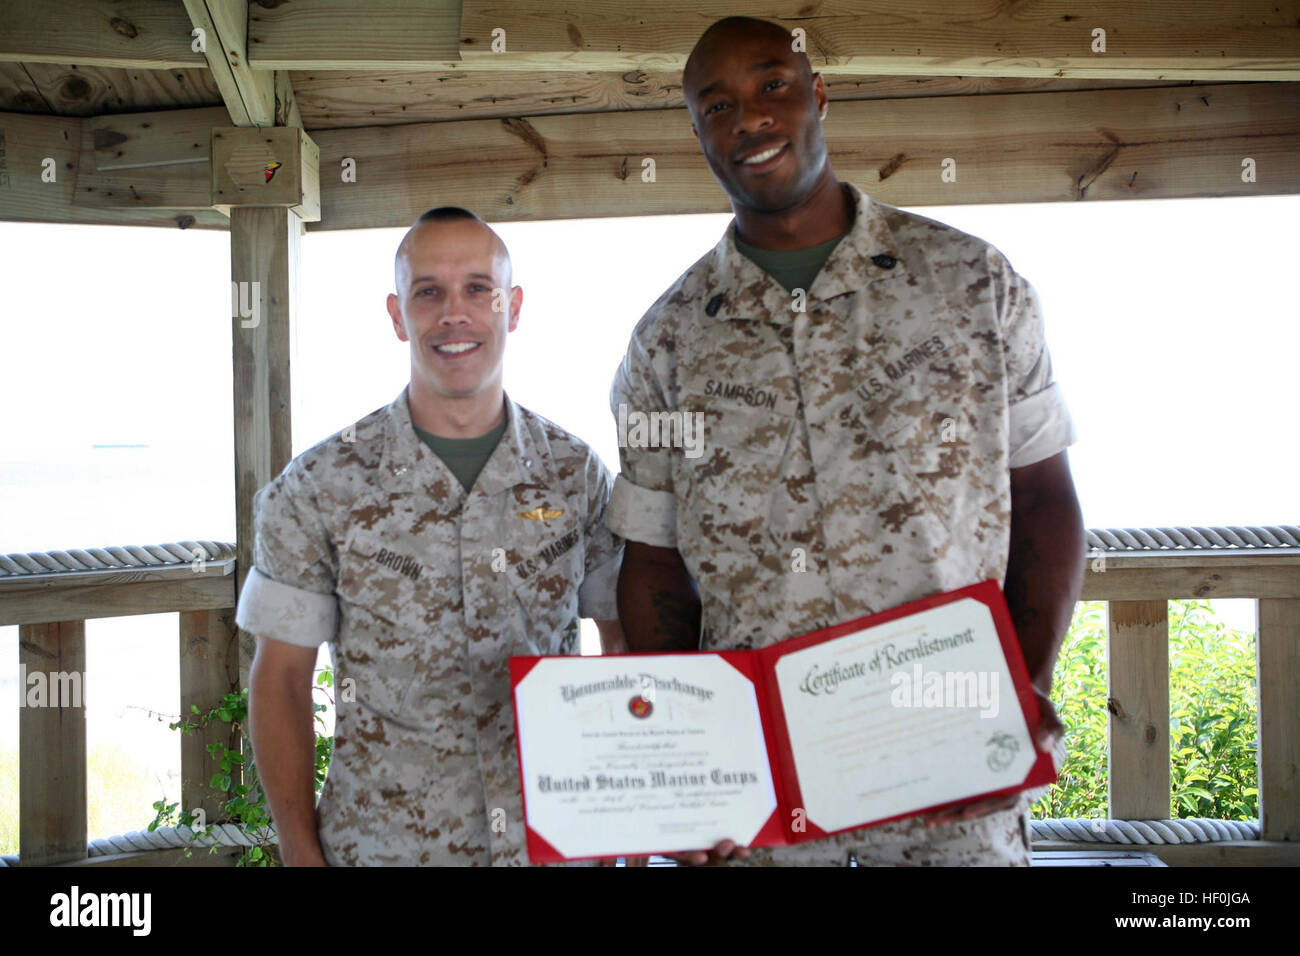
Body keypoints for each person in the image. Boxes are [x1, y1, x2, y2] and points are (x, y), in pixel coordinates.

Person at [608, 16, 1085, 866]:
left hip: (953, 774)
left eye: (772, 86)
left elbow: (1046, 501)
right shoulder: (668, 341)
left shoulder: (973, 284)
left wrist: (1024, 683)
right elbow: (652, 562)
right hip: (759, 791)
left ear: (818, 94)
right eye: (716, 106)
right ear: (697, 135)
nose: (749, 119)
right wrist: (683, 765)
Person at [236, 206, 625, 866]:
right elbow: (281, 680)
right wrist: (300, 853)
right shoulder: (319, 487)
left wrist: (635, 816)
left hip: (554, 844)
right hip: (386, 849)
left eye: (479, 288)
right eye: (429, 292)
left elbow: (625, 643)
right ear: (397, 314)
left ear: (514, 305)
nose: (455, 314)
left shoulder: (575, 474)